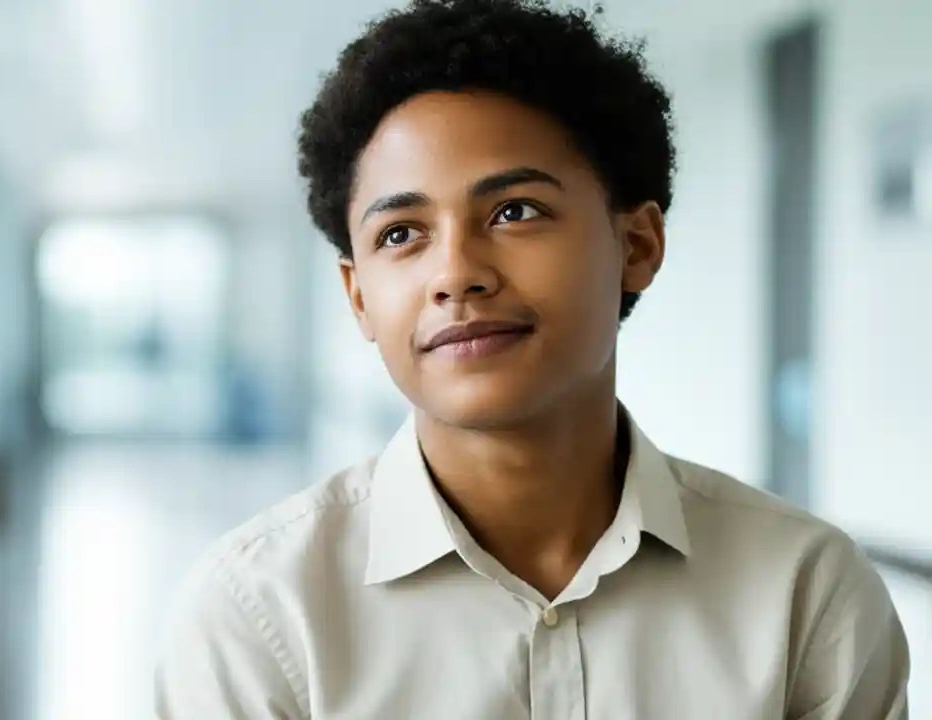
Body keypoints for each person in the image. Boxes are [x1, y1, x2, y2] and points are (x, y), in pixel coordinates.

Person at [154, 0, 910, 716]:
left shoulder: (804, 593)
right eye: (400, 234)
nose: (455, 273)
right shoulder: (259, 615)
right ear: (359, 298)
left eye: (515, 212)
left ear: (637, 246)